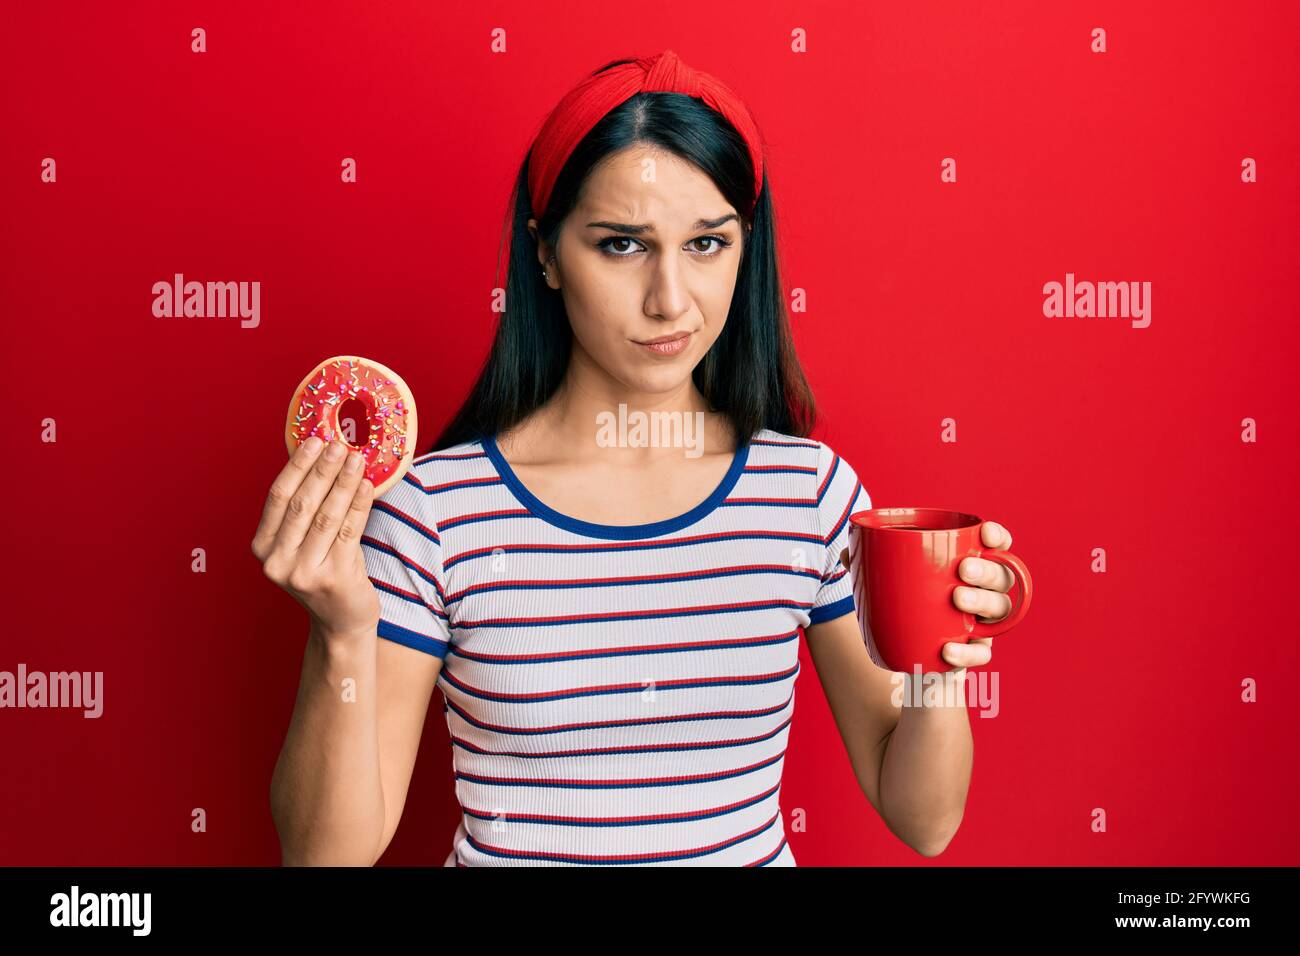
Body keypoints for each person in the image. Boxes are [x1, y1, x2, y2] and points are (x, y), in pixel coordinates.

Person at [260, 50, 1020, 867]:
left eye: (706, 244)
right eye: (621, 245)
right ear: (545, 253)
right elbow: (325, 858)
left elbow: (924, 820)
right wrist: (338, 635)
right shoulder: (434, 513)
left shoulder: (811, 495)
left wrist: (942, 655)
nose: (671, 299)